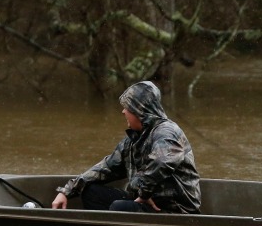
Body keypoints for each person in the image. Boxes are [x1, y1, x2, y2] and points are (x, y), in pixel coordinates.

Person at [50, 80, 201, 214]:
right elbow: (105, 168)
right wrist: (67, 191)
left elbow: (162, 162)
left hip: (175, 211)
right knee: (91, 192)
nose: (123, 112)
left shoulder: (167, 132)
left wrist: (144, 193)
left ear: (139, 110)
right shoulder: (132, 141)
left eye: (127, 107)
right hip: (145, 204)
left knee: (119, 208)